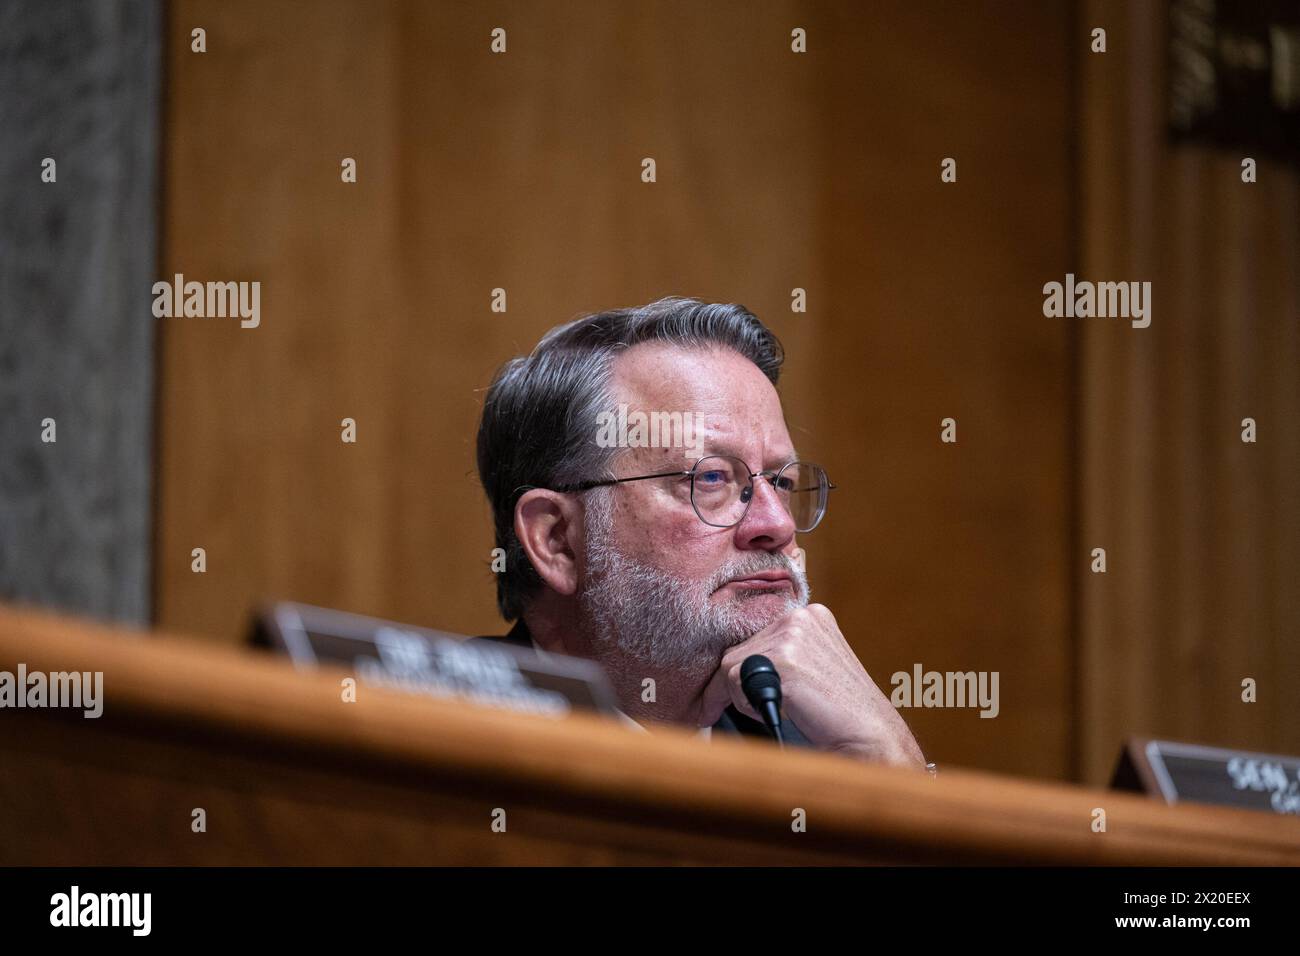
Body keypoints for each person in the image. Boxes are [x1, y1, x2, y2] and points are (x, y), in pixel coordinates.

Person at [475, 296, 926, 767]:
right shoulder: (431, 744)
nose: (777, 524)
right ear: (558, 540)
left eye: (781, 482)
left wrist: (890, 759)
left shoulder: (827, 747)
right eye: (709, 479)